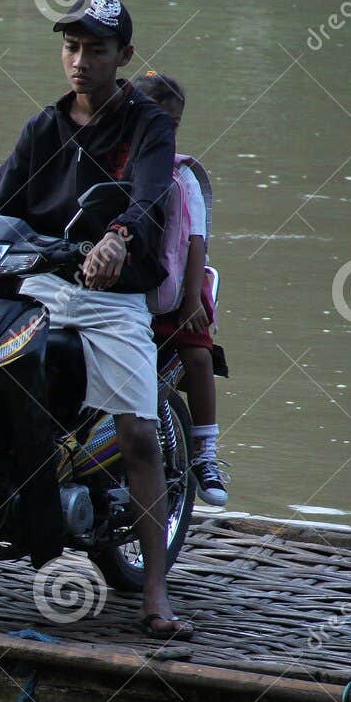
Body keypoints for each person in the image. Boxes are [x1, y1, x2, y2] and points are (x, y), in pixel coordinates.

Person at [0, 0, 192, 640]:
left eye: (96, 49)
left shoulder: (148, 125)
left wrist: (118, 237)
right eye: (71, 47)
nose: (80, 60)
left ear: (124, 56)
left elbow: (149, 197)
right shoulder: (44, 125)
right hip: (40, 280)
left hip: (111, 292)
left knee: (139, 432)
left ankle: (154, 589)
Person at [133, 70, 227, 508]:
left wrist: (192, 298)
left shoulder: (180, 174)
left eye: (172, 124)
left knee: (197, 354)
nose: (164, 131)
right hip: (129, 287)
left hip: (177, 287)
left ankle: (205, 453)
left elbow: (195, 240)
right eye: (155, 120)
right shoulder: (113, 159)